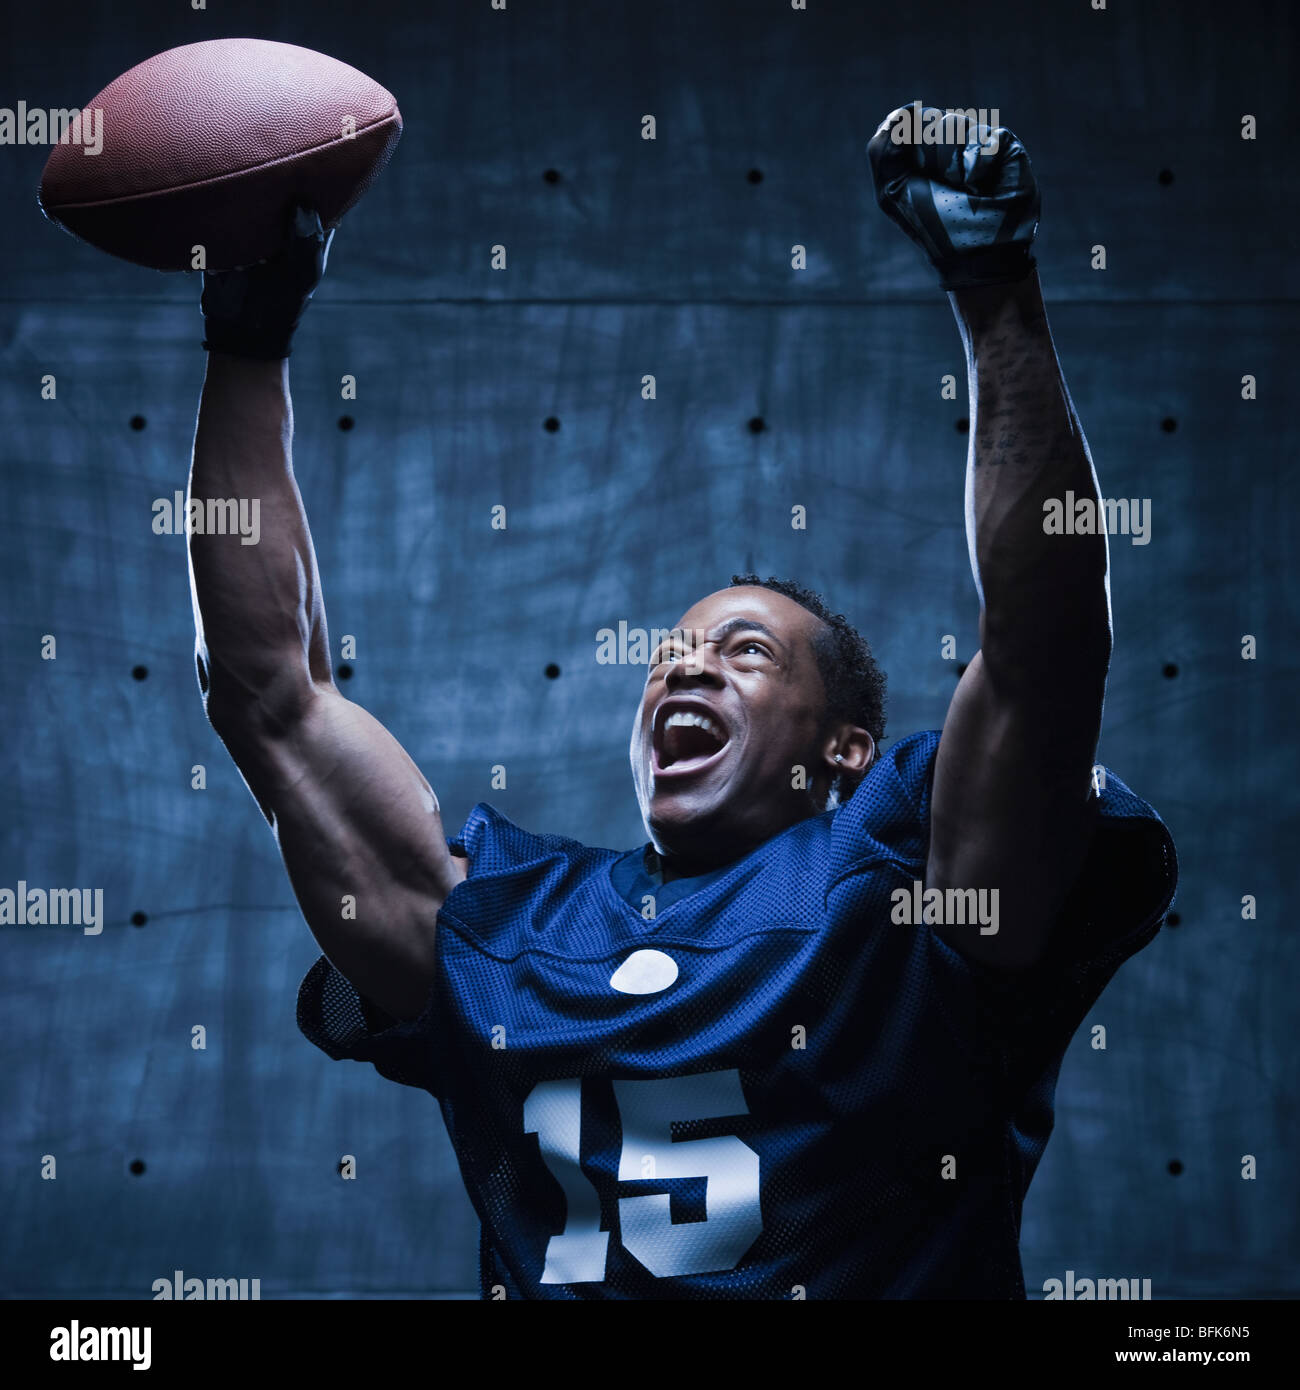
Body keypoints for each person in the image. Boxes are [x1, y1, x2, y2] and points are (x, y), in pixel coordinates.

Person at [187, 104, 1177, 1299]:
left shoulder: (914, 888)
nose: (686, 666)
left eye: (744, 651)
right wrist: (248, 341)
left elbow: (1044, 651)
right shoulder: (512, 929)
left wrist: (994, 286)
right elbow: (274, 702)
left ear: (849, 747)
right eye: (668, 654)